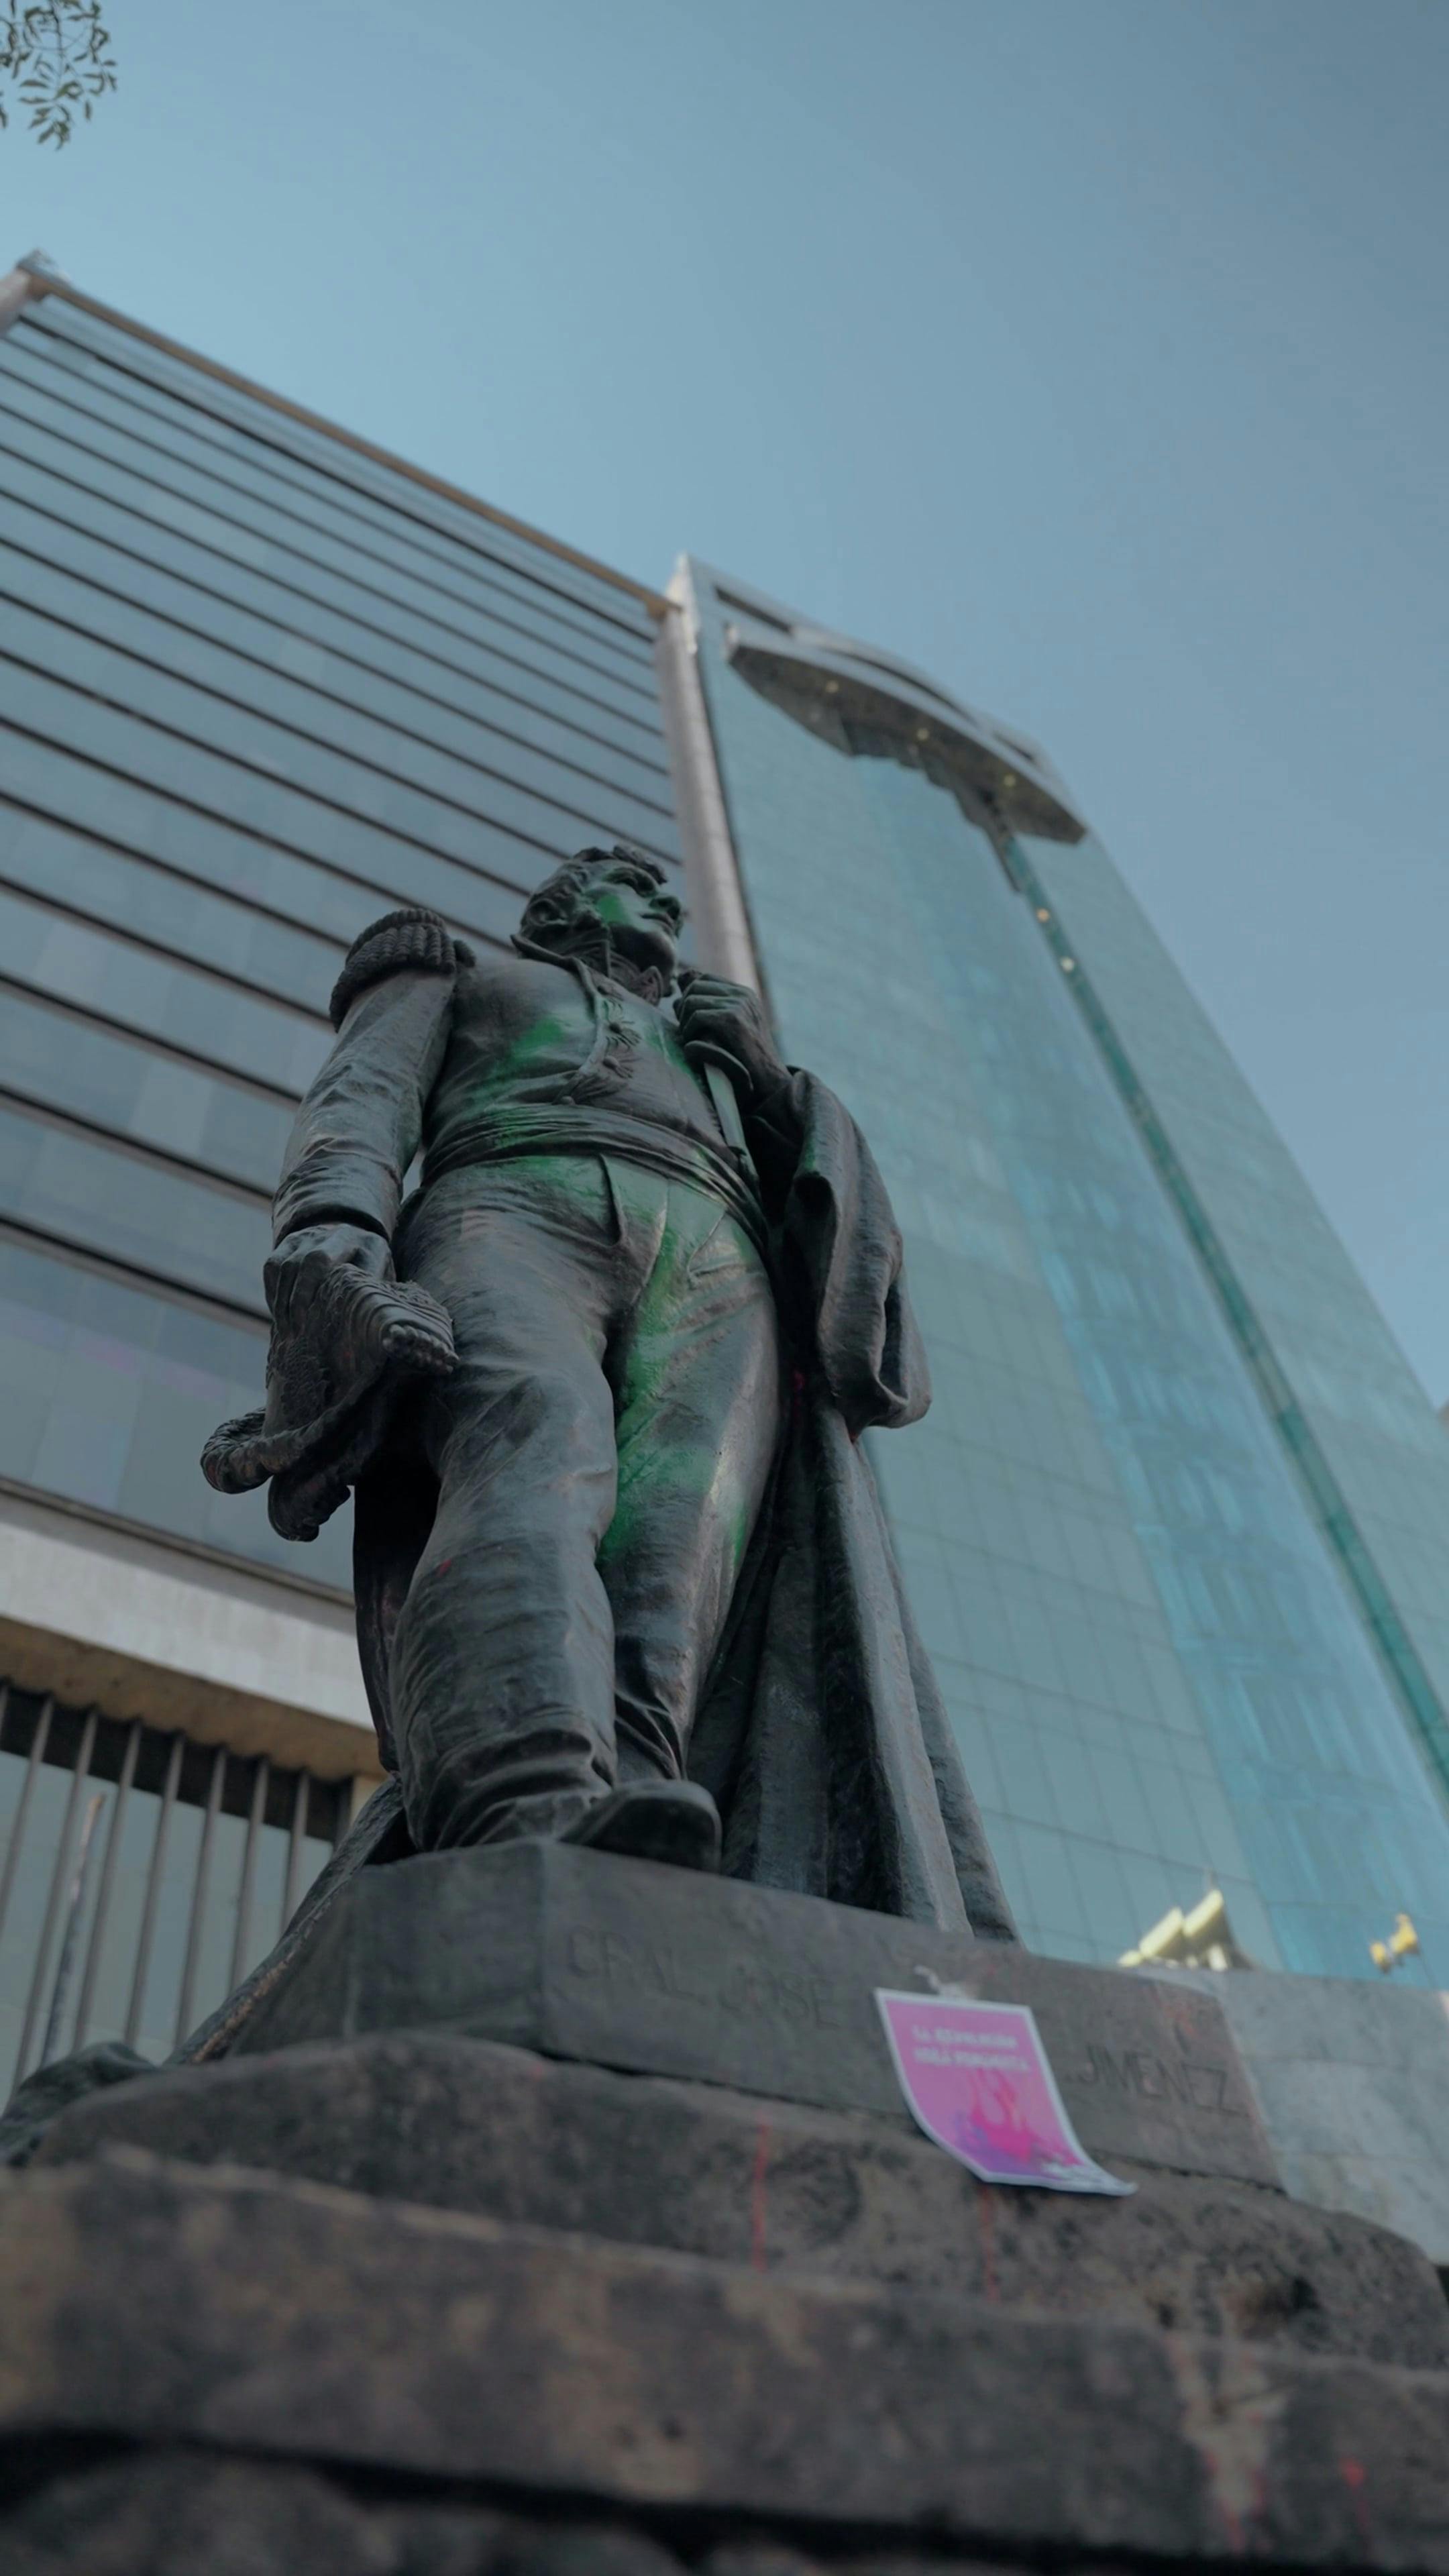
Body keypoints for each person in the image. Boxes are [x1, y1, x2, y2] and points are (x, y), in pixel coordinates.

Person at [206, 843, 1016, 1938]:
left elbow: (839, 1231)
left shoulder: (719, 1051)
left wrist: (773, 1087)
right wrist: (335, 1243)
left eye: (670, 896)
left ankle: (635, 1808)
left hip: (721, 1265)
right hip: (508, 1201)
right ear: (559, 908)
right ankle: (522, 1790)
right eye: (632, 885)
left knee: (676, 1554)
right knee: (533, 1440)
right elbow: (361, 1106)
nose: (663, 905)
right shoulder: (458, 976)